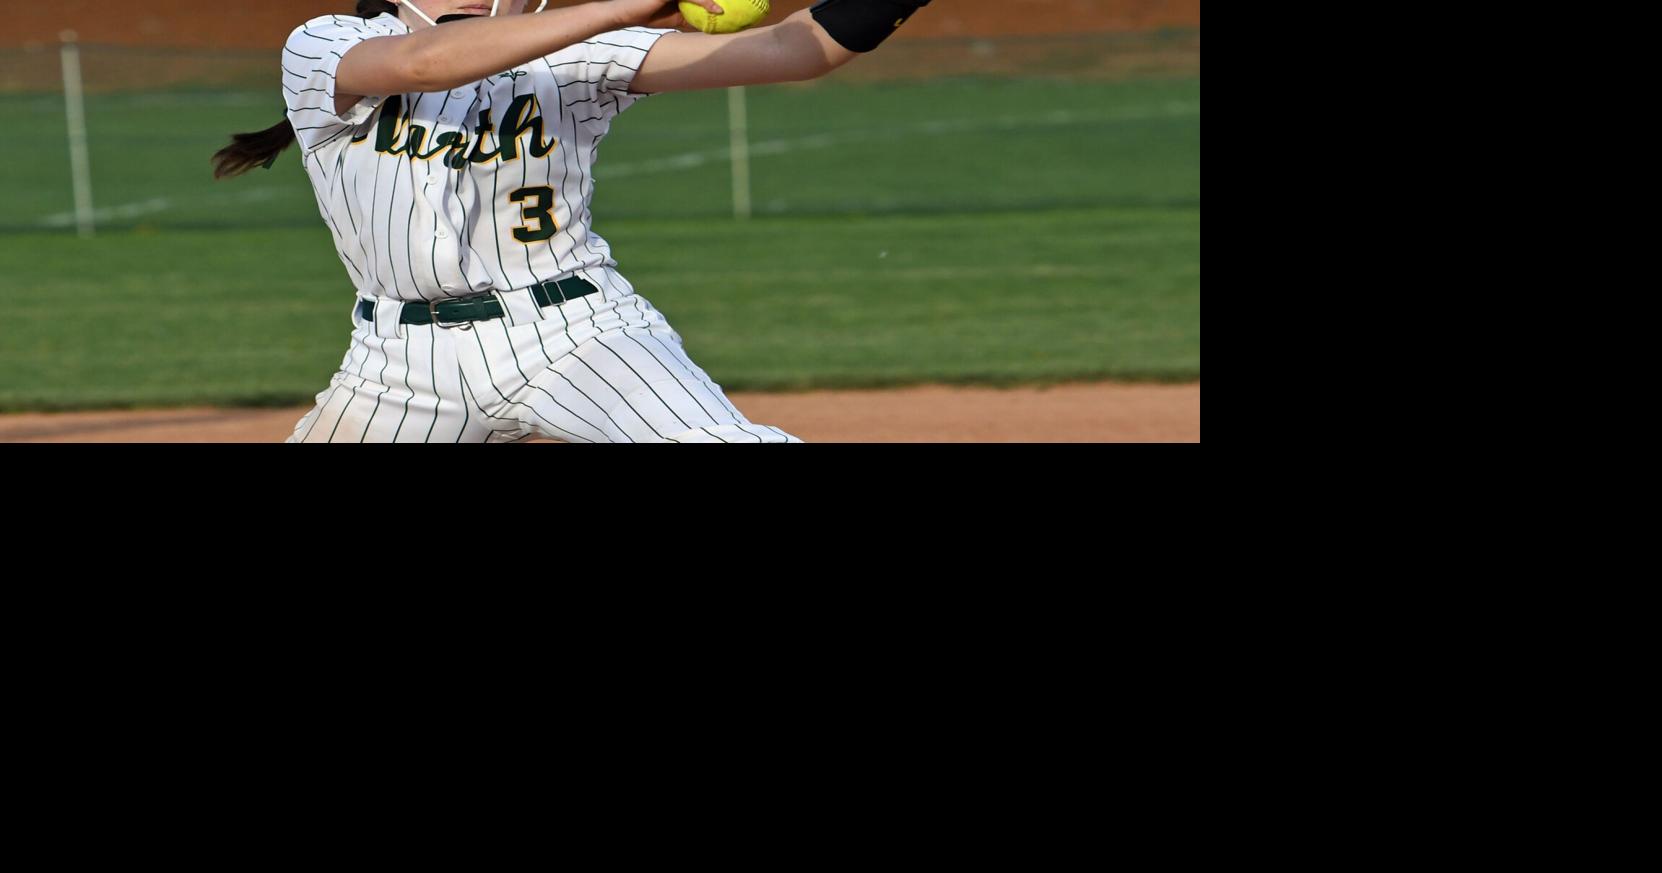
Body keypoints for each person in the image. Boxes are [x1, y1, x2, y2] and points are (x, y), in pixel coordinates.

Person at [212, 0, 929, 443]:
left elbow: (791, 50)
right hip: (396, 364)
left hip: (576, 333)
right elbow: (425, 63)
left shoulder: (578, 55)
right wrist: (622, 6)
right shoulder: (325, 44)